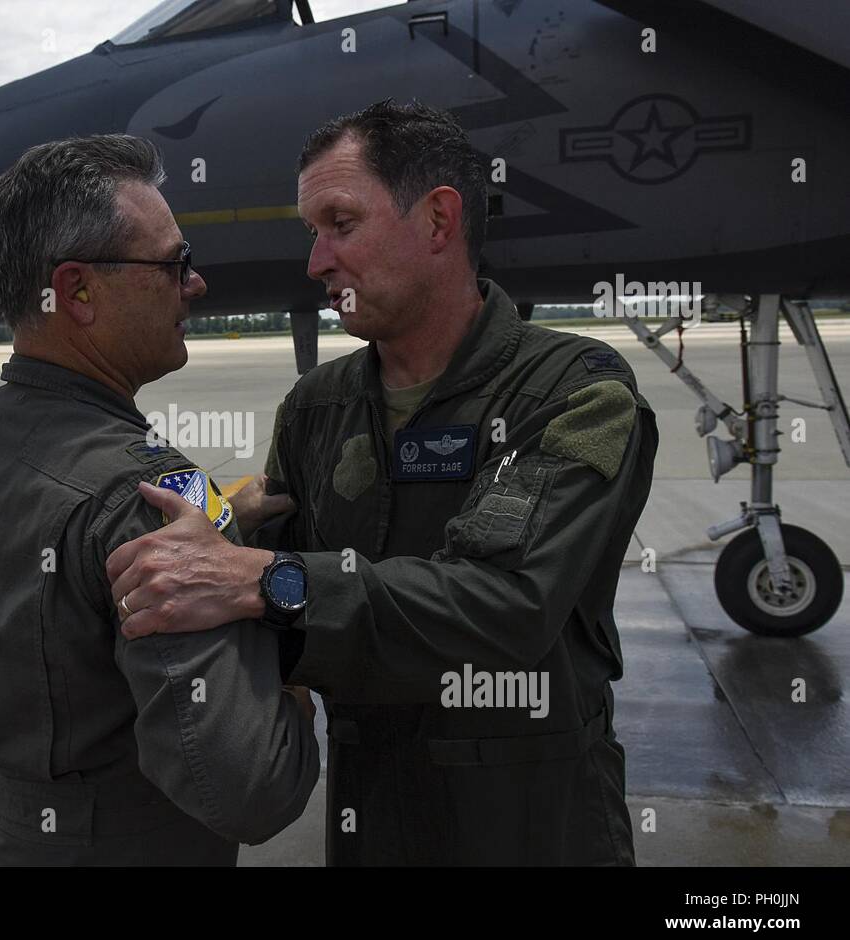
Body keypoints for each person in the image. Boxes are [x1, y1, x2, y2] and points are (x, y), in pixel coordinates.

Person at [106, 100, 659, 866]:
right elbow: (261, 568)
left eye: (340, 223)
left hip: (536, 828)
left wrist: (270, 580)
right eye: (312, 232)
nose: (316, 261)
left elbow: (508, 606)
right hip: (372, 824)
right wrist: (215, 513)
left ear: (438, 222)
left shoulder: (574, 391)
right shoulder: (317, 405)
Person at [0, 134, 318, 866]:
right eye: (175, 264)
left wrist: (226, 514)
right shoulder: (152, 496)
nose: (195, 286)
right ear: (77, 291)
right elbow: (253, 790)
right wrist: (296, 656)